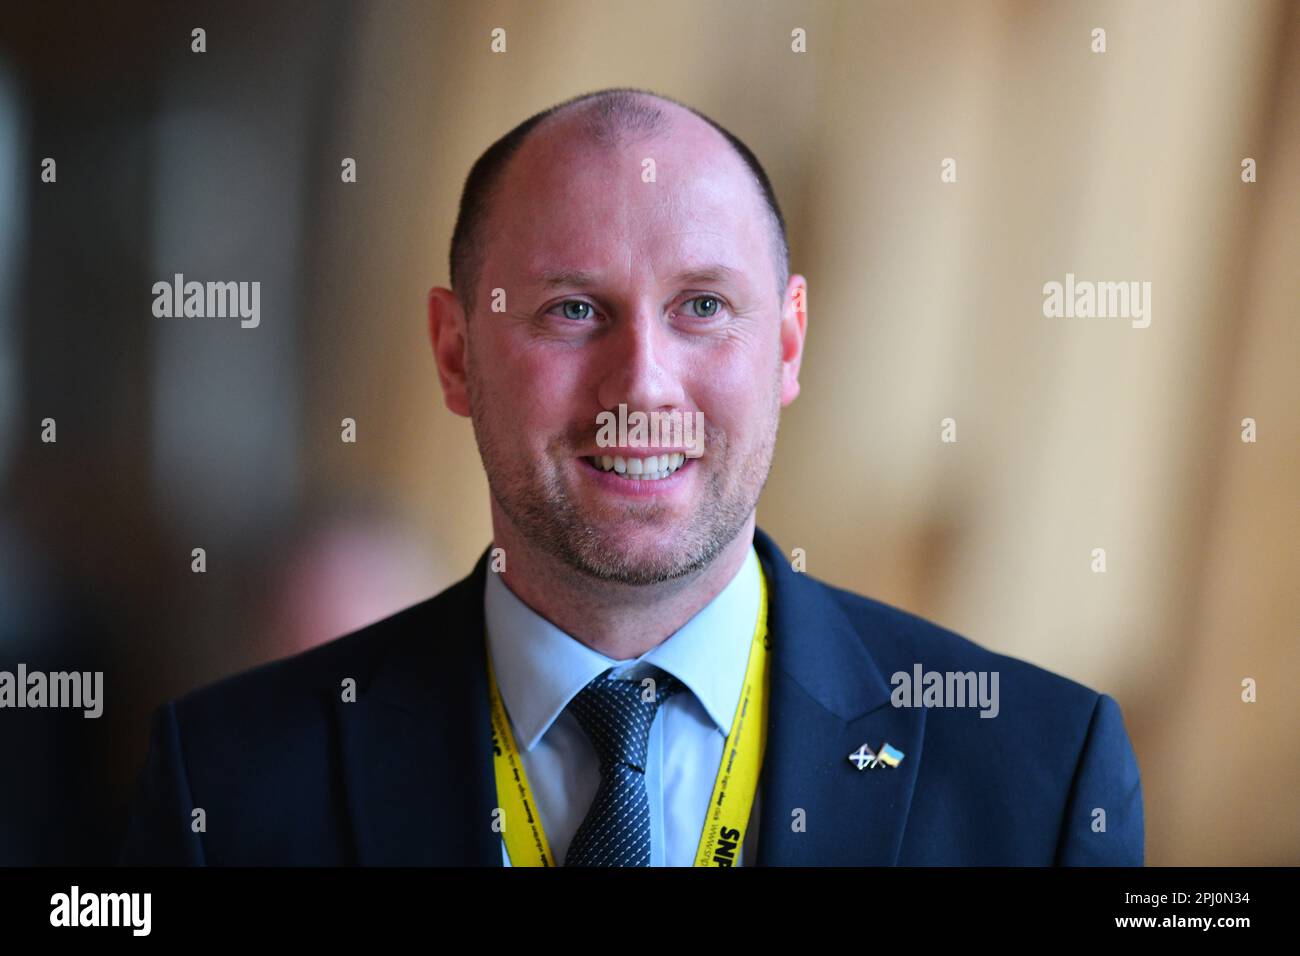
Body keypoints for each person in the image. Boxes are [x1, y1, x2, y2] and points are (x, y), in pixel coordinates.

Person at [120, 87, 1143, 866]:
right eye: (572, 309)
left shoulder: (1039, 774)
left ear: (787, 344)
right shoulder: (228, 781)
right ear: (452, 352)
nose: (643, 385)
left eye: (702, 306)